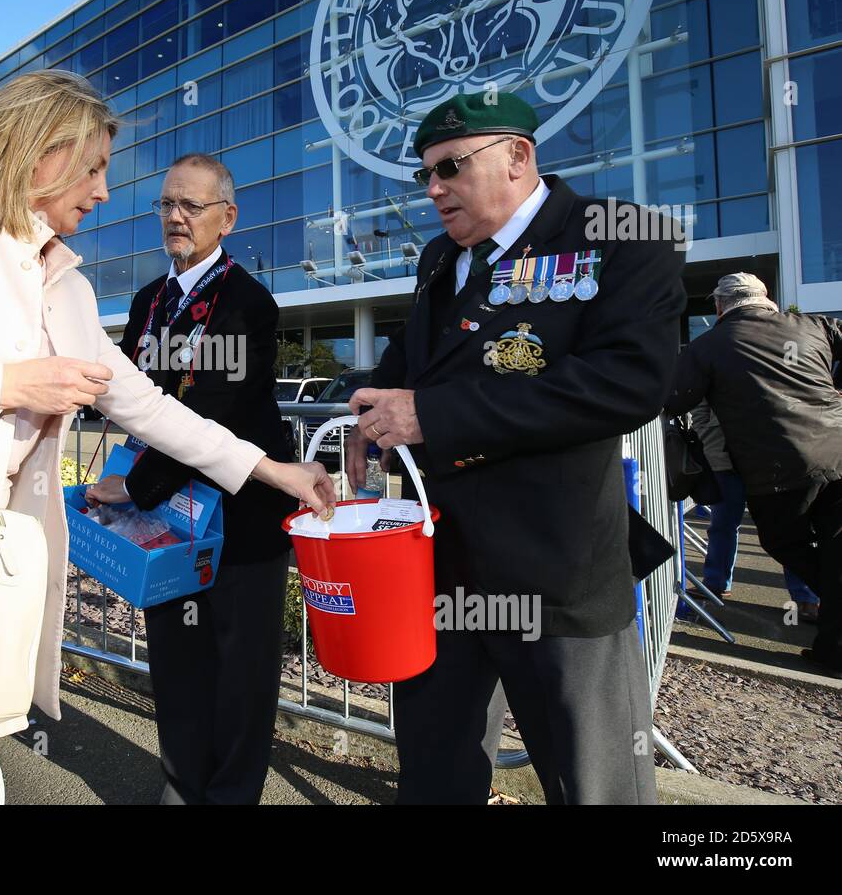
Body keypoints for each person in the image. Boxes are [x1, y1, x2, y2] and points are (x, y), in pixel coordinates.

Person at [0, 70, 336, 805]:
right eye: (96, 165)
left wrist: (275, 471)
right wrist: (5, 385)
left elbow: (150, 407)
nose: (107, 190)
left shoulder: (64, 281)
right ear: (41, 148)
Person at [344, 92, 686, 804]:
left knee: (595, 783)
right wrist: (371, 408)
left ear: (518, 157)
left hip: (556, 571)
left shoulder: (622, 237)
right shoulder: (442, 256)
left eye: (449, 168)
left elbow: (627, 386)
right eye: (425, 175)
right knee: (435, 769)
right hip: (439, 569)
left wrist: (431, 416)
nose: (433, 188)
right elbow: (418, 350)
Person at [85, 153, 297, 804]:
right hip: (168, 525)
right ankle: (181, 789)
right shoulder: (148, 301)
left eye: (191, 206)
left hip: (241, 522)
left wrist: (135, 484)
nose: (175, 217)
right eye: (166, 205)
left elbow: (212, 408)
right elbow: (136, 397)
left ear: (227, 218)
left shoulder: (248, 303)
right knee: (177, 670)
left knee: (241, 682)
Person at [666, 273, 841, 673]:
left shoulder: (709, 346)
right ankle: (832, 647)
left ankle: (832, 631)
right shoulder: (815, 325)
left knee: (784, 542)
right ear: (766, 300)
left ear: (720, 306)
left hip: (778, 469)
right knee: (833, 547)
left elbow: (673, 399)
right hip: (837, 454)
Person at [680, 402, 818, 621]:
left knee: (788, 529)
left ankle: (806, 596)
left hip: (772, 458)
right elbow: (700, 402)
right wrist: (708, 435)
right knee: (723, 524)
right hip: (728, 457)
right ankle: (716, 583)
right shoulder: (718, 367)